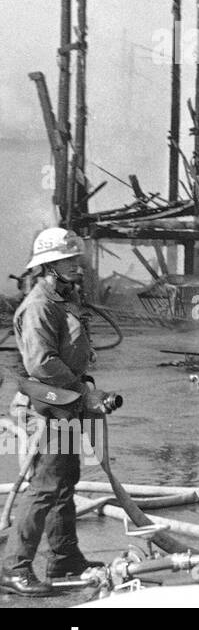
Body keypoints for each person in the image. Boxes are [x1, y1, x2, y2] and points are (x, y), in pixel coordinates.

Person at [0, 228, 110, 596]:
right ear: (49, 267)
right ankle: (14, 568)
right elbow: (43, 363)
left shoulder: (61, 300)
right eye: (70, 261)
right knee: (45, 485)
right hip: (44, 405)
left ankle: (64, 559)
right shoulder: (38, 306)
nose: (78, 267)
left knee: (64, 480)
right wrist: (83, 392)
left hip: (62, 403)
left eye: (77, 260)